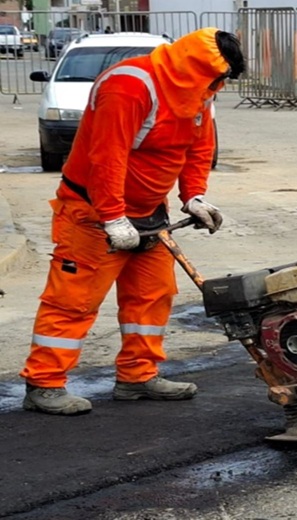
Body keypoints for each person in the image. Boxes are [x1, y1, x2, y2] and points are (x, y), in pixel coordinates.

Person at [19, 27, 245, 416]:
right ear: (195, 69)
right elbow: (107, 156)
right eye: (218, 79)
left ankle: (137, 377)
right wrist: (112, 217)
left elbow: (198, 146)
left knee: (152, 296)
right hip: (91, 212)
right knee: (74, 301)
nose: (219, 88)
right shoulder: (129, 86)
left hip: (150, 212)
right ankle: (44, 384)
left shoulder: (199, 93)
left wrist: (193, 195)